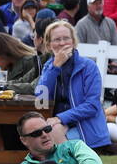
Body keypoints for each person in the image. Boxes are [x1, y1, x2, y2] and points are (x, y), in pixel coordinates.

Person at [36, 20, 109, 151]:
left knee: (53, 131)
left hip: (85, 127)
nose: (62, 43)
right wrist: (55, 68)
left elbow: (92, 105)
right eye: (57, 39)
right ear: (49, 45)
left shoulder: (88, 67)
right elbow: (41, 99)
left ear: (74, 42)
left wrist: (60, 118)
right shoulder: (49, 66)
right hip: (58, 124)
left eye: (66, 38)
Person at [0, 32, 42, 96]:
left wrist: (0, 87)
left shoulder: (29, 62)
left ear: (4, 53)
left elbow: (27, 85)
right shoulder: (10, 66)